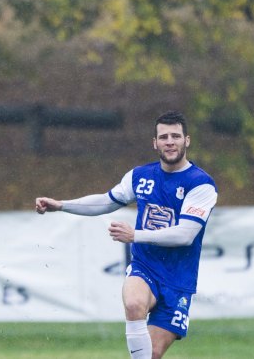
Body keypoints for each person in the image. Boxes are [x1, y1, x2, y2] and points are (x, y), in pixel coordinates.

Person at [35, 110, 217, 359]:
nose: (170, 142)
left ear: (187, 140)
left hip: (178, 279)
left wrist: (136, 235)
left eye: (176, 136)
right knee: (133, 305)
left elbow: (185, 235)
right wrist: (62, 205)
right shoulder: (140, 176)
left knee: (151, 353)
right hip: (145, 267)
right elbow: (106, 201)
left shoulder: (200, 183)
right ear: (155, 143)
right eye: (163, 137)